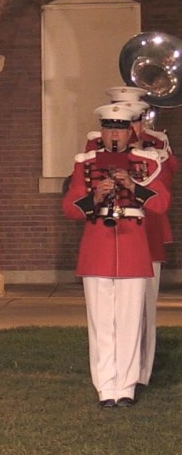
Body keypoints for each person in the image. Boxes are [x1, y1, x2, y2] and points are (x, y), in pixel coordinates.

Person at [63, 103, 168, 408]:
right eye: (109, 129)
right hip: (97, 247)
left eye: (120, 129)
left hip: (133, 248)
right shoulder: (85, 162)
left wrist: (133, 186)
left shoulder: (146, 162)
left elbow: (161, 204)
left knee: (129, 320)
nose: (114, 135)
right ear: (102, 131)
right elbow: (70, 207)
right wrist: (94, 196)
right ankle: (105, 387)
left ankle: (126, 387)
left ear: (130, 133)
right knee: (101, 322)